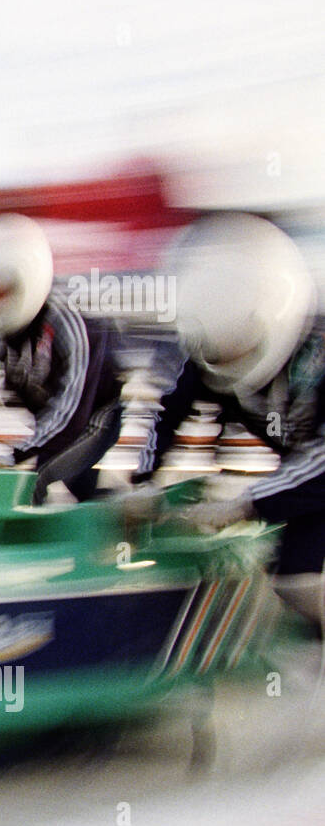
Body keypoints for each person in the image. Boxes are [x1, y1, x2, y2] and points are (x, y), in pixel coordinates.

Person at [131, 212, 324, 628]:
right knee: (295, 580)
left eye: (239, 350)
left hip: (317, 471)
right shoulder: (210, 349)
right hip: (306, 478)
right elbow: (168, 415)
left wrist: (247, 503)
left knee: (306, 580)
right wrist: (144, 482)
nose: (228, 363)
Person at [0, 214, 124, 505]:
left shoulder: (69, 326)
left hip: (95, 416)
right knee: (75, 485)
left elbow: (71, 413)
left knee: (38, 478)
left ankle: (106, 518)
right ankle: (111, 504)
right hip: (45, 416)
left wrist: (14, 454)